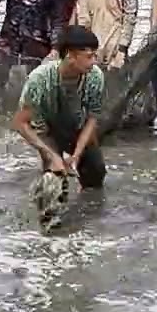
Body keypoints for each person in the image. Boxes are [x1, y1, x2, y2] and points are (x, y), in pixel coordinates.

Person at [12, 25, 107, 189]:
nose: (94, 62)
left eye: (94, 56)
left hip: (78, 126)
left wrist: (76, 156)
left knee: (96, 173)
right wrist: (51, 155)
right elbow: (20, 123)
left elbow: (92, 119)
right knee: (54, 179)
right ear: (70, 56)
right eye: (89, 57)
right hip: (47, 129)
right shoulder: (39, 79)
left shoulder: (95, 77)